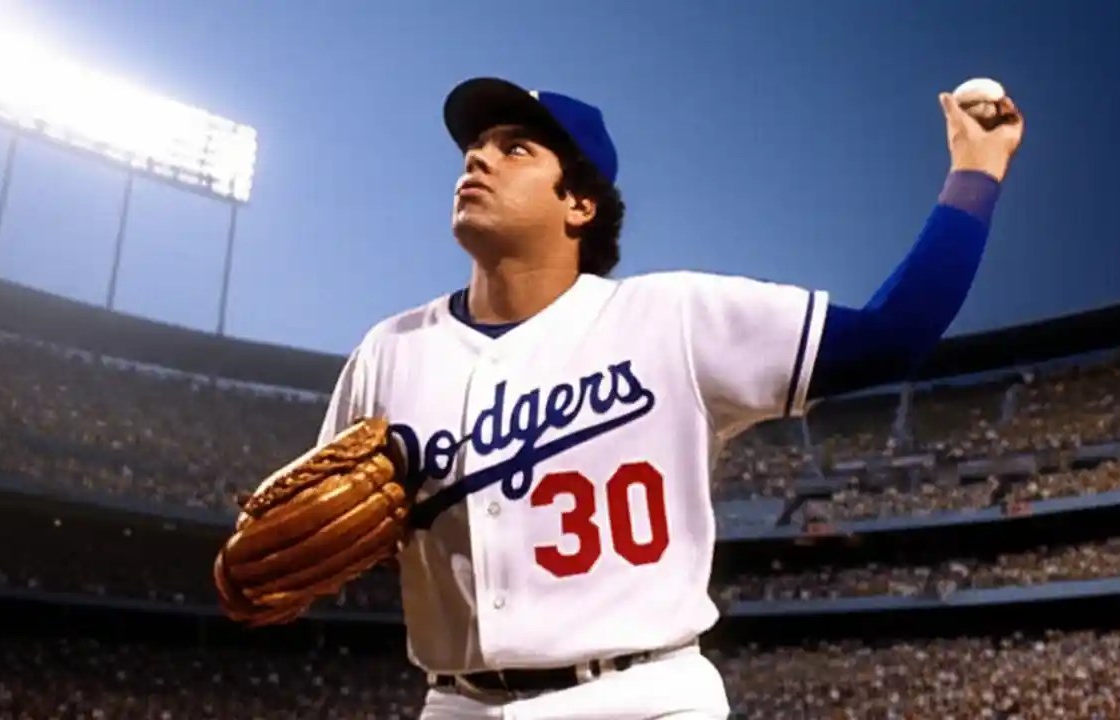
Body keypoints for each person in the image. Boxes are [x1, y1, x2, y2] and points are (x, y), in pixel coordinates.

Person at [316, 77, 1024, 719]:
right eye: (475, 147)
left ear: (580, 203)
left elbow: (891, 335)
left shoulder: (673, 320)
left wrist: (977, 168)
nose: (478, 159)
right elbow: (341, 533)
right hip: (455, 705)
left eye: (515, 148)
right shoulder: (389, 352)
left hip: (644, 697)